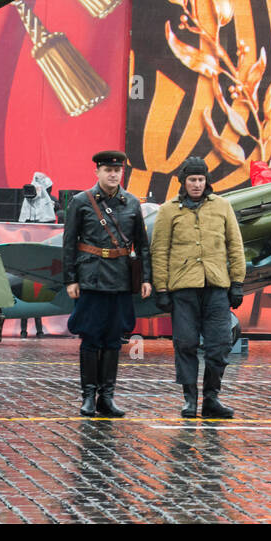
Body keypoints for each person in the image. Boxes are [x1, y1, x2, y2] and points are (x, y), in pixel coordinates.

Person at [150, 156, 246, 419]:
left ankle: (211, 398)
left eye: (201, 179)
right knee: (186, 344)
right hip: (183, 288)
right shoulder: (168, 210)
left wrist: (237, 282)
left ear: (207, 181)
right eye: (192, 179)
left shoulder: (223, 207)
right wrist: (161, 289)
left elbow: (235, 246)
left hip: (216, 287)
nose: (196, 184)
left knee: (220, 344)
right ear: (183, 181)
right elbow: (159, 250)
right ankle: (190, 400)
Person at [62, 150, 153, 418]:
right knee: (90, 337)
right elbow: (69, 243)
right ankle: (88, 397)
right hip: (90, 279)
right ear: (97, 172)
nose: (113, 174)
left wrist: (146, 278)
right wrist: (70, 279)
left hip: (121, 280)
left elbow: (143, 246)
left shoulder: (132, 203)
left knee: (114, 340)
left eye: (117, 170)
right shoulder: (81, 201)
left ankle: (107, 397)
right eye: (107, 170)